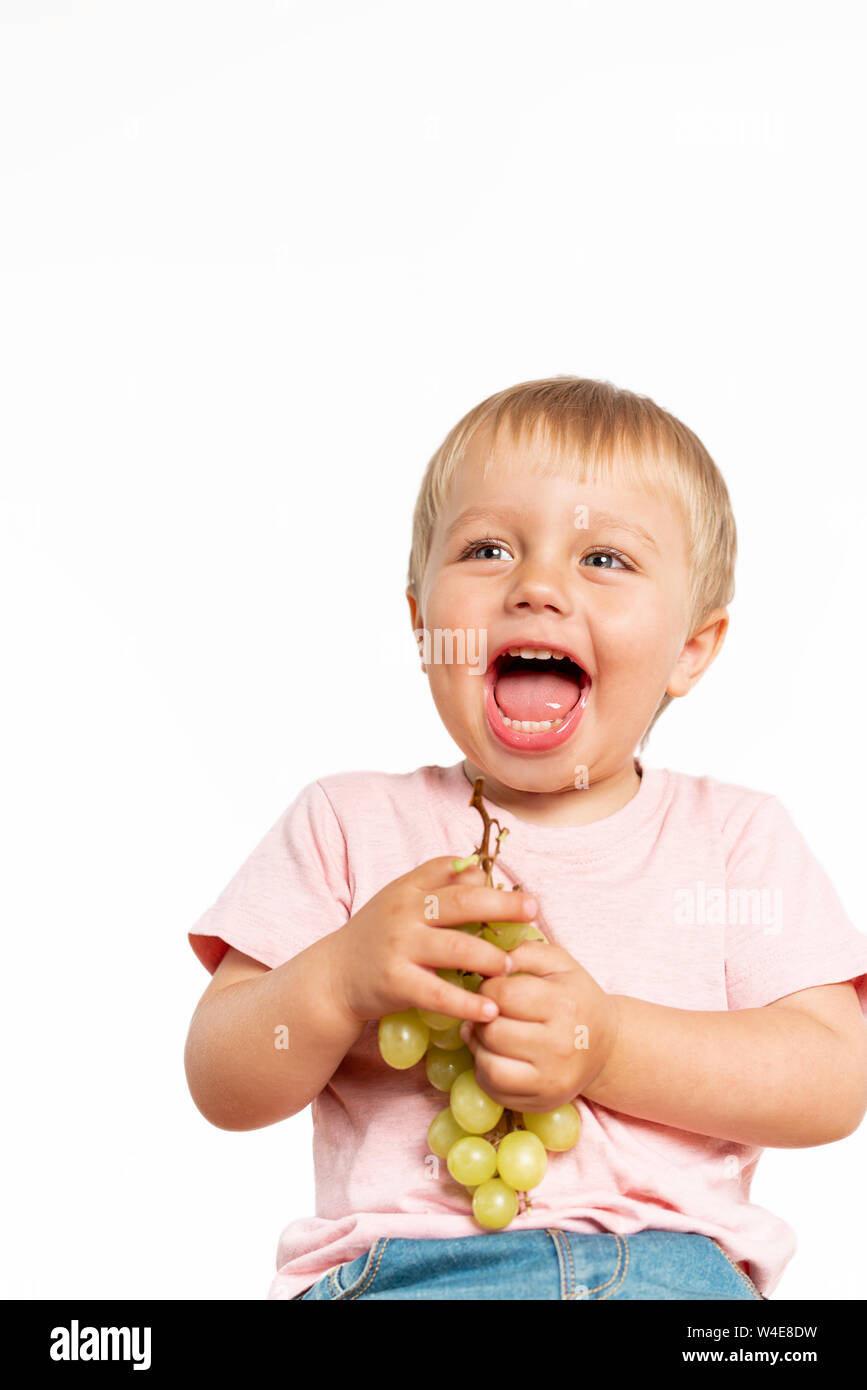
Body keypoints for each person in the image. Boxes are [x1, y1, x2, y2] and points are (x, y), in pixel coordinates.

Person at [183, 376, 867, 1300]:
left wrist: (610, 1043)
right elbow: (223, 1077)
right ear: (424, 625)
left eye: (607, 560)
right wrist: (336, 978)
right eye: (488, 548)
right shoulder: (344, 823)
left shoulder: (738, 838)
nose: (537, 586)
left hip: (675, 1277)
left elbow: (832, 1078)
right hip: (408, 1273)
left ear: (691, 650)